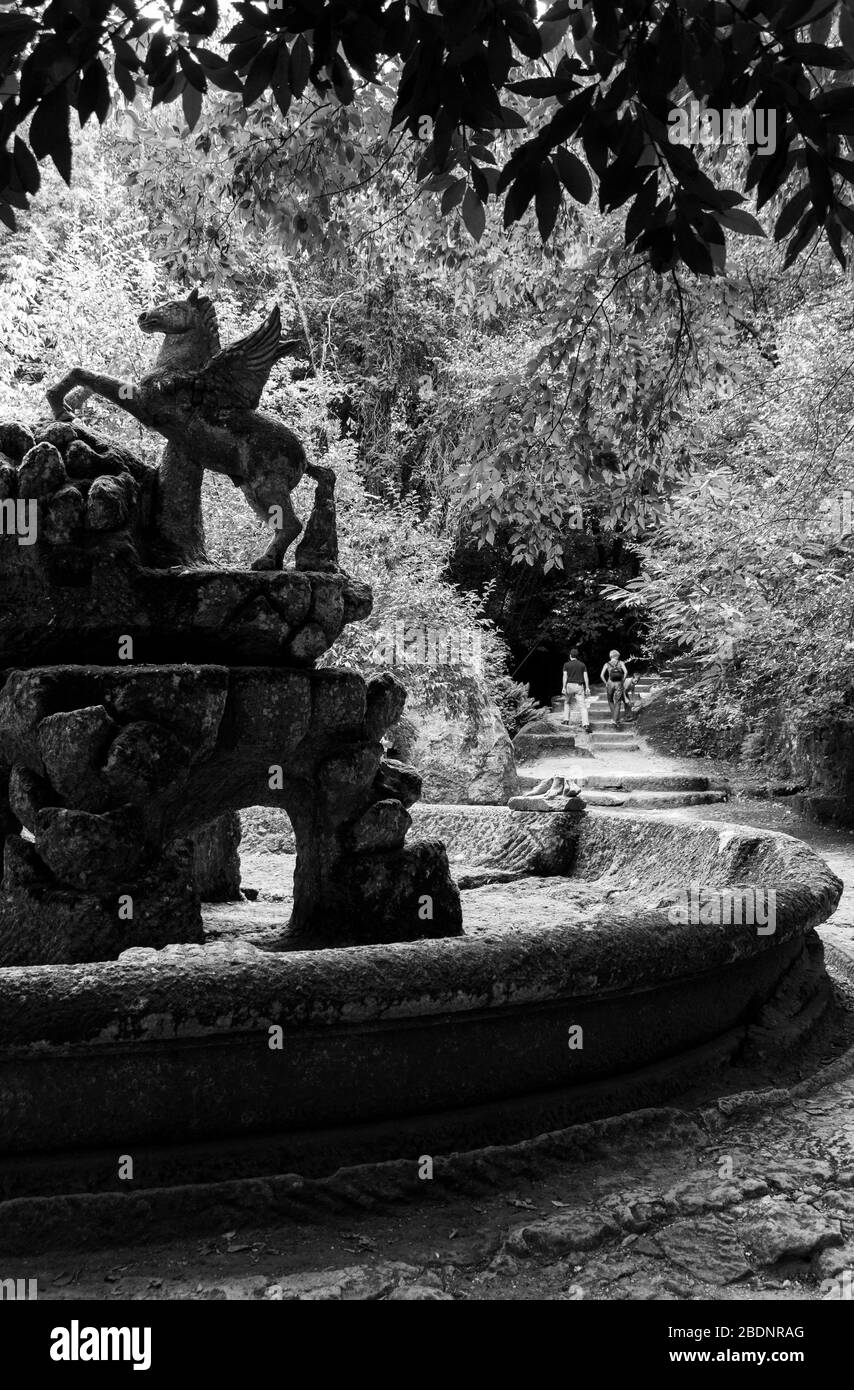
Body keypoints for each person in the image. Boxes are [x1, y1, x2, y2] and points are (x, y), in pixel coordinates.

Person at [561, 647, 591, 732]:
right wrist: (587, 687)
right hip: (579, 686)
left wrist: (563, 687)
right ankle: (586, 725)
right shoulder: (582, 665)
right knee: (582, 706)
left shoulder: (566, 664)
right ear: (577, 656)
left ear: (570, 656)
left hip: (569, 686)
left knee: (567, 702)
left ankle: (566, 720)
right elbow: (586, 677)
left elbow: (565, 676)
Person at [600, 649, 629, 729]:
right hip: (619, 683)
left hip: (610, 683)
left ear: (611, 656)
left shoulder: (607, 664)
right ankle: (615, 720)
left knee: (610, 700)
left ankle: (614, 718)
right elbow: (626, 672)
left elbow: (601, 675)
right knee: (618, 702)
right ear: (616, 656)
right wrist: (623, 680)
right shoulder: (620, 663)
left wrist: (606, 683)